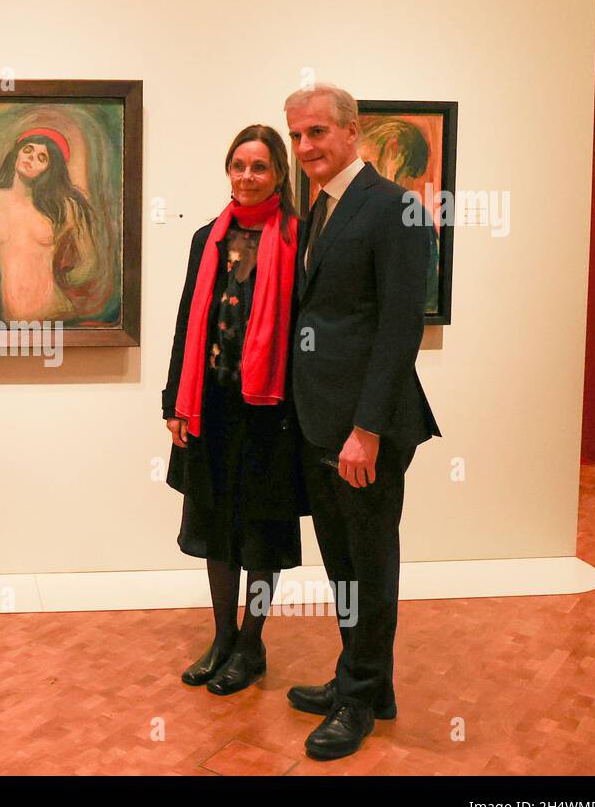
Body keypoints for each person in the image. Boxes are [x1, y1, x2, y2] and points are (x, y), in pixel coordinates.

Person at [283, 83, 441, 760]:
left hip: (365, 428)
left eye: (316, 132)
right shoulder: (316, 210)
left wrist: (367, 429)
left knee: (369, 563)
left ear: (352, 133)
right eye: (296, 135)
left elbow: (401, 327)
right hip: (319, 421)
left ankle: (361, 698)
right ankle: (365, 681)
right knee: (341, 562)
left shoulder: (395, 209)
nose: (305, 147)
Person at [163, 124, 305, 697]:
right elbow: (185, 323)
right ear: (228, 170)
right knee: (213, 526)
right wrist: (175, 401)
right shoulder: (208, 237)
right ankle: (222, 637)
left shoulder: (299, 237)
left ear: (278, 175)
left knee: (261, 535)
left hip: (270, 411)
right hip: (211, 405)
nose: (247, 177)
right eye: (239, 165)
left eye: (260, 167)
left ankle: (253, 642)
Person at [0, 128, 106, 320]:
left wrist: (61, 277)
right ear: (16, 152)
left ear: (50, 169)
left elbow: (89, 263)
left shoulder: (64, 206)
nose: (31, 158)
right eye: (28, 150)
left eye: (42, 158)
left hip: (54, 313)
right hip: (8, 318)